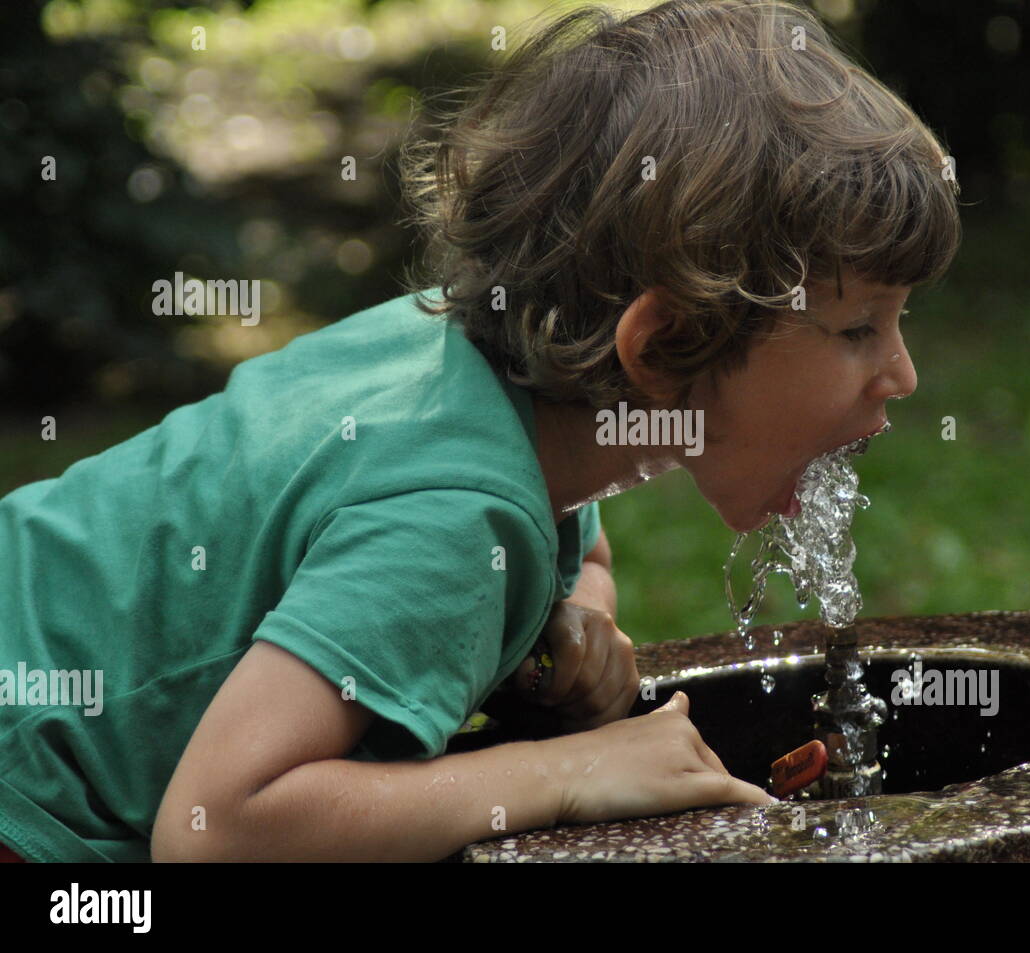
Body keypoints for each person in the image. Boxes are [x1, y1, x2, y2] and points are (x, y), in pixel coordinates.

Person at [0, 0, 958, 862]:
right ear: (662, 347)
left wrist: (579, 607)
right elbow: (221, 828)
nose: (902, 374)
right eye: (855, 328)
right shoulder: (453, 520)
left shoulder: (485, 374)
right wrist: (574, 774)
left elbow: (573, 524)